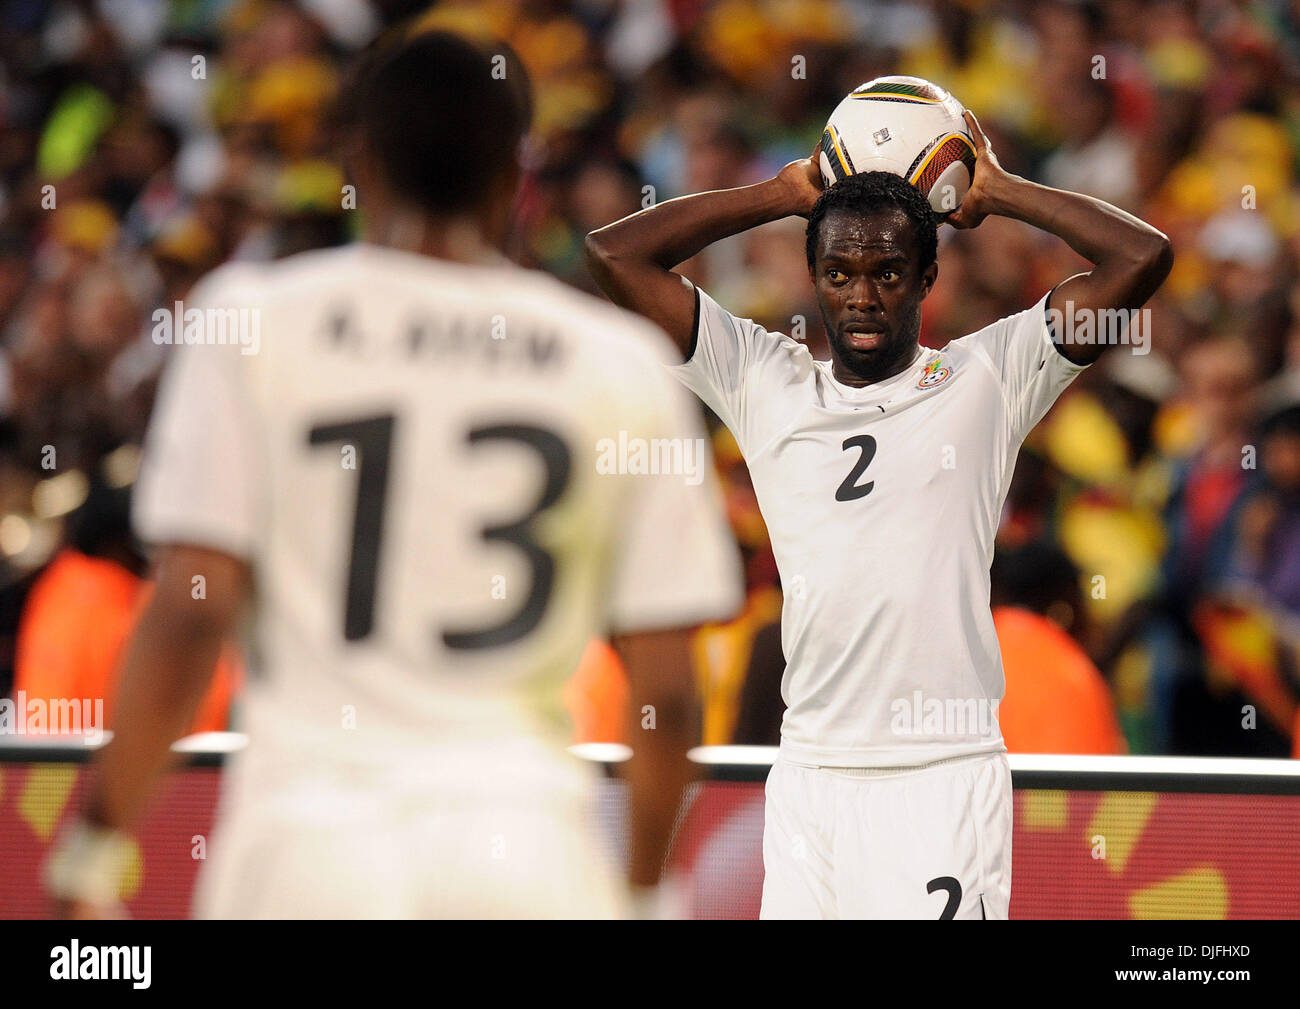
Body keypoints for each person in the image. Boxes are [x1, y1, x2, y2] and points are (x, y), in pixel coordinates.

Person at [43, 28, 743, 919]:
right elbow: (668, 688)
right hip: (522, 850)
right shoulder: (614, 360)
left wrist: (96, 842)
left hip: (308, 845)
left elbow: (192, 609)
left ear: (359, 163)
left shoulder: (256, 321)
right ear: (514, 183)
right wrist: (650, 891)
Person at [586, 110, 1171, 918]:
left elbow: (1144, 256)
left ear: (927, 279)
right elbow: (612, 253)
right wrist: (778, 191)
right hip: (811, 776)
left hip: (939, 773)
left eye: (889, 272)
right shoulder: (765, 380)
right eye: (839, 272)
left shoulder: (988, 378)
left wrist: (1002, 191)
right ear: (814, 274)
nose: (862, 296)